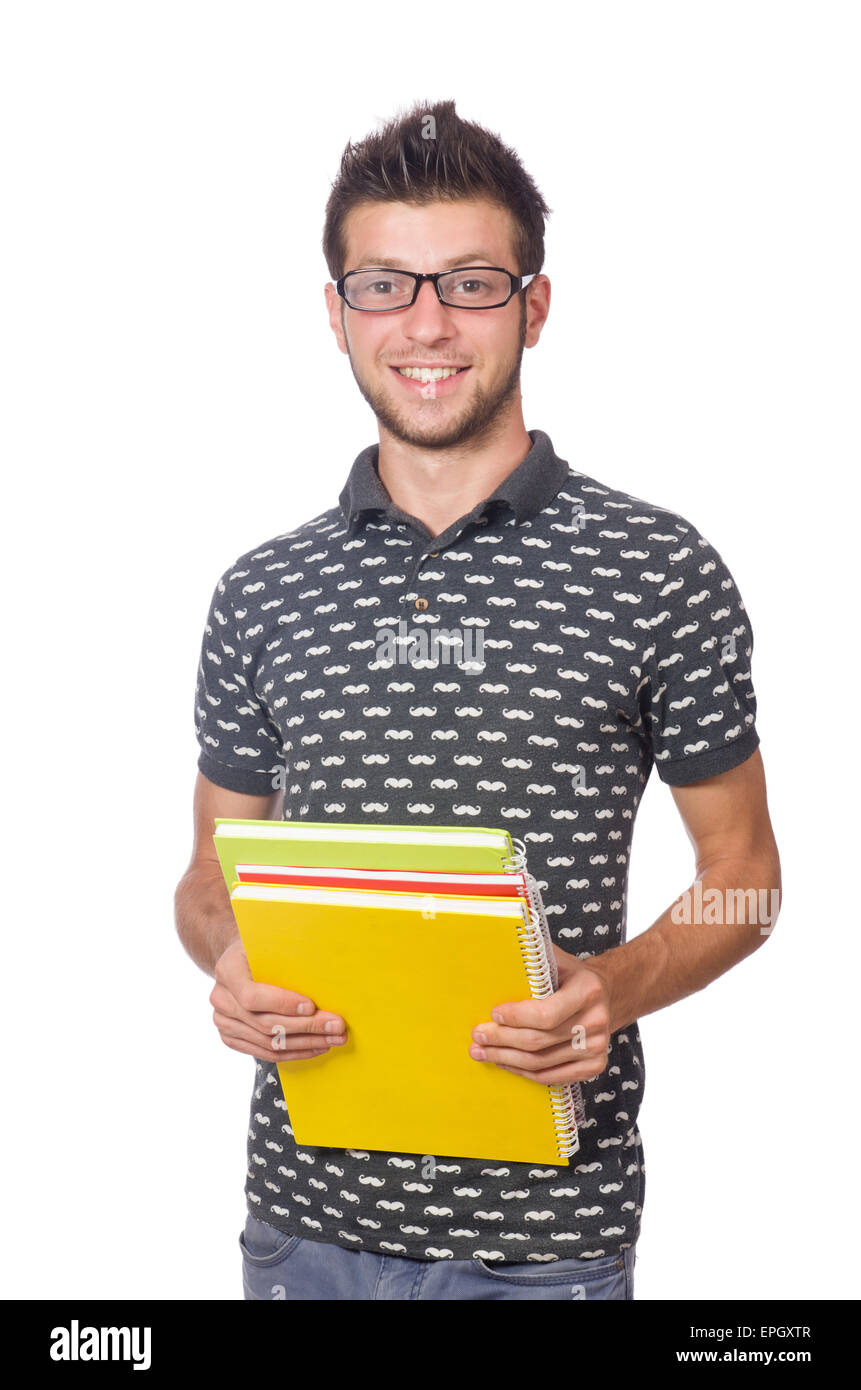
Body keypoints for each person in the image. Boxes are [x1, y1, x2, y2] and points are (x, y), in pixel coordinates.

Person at [175, 98, 781, 1301]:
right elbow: (206, 882)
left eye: (470, 281)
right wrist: (228, 961)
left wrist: (617, 980)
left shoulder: (659, 569)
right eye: (385, 286)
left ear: (534, 305)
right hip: (300, 1229)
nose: (428, 323)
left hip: (545, 1246)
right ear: (337, 314)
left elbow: (749, 878)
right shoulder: (261, 591)